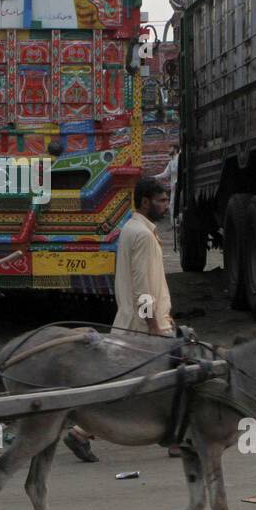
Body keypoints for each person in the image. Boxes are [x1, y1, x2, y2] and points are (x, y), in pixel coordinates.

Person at [64, 177, 177, 462]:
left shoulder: (133, 229)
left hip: (139, 321)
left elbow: (150, 283)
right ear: (144, 202)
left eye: (166, 200)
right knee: (166, 382)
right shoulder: (141, 234)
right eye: (161, 201)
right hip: (143, 326)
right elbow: (142, 287)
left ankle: (81, 432)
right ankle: (176, 438)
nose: (166, 206)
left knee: (130, 388)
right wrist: (154, 327)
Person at [155, 143, 180, 230]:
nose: (169, 150)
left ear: (175, 149)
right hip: (174, 186)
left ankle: (176, 223)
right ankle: (174, 224)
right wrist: (154, 177)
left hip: (179, 185)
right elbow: (165, 174)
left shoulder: (179, 159)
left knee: (176, 204)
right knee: (172, 204)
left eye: (171, 148)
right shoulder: (171, 162)